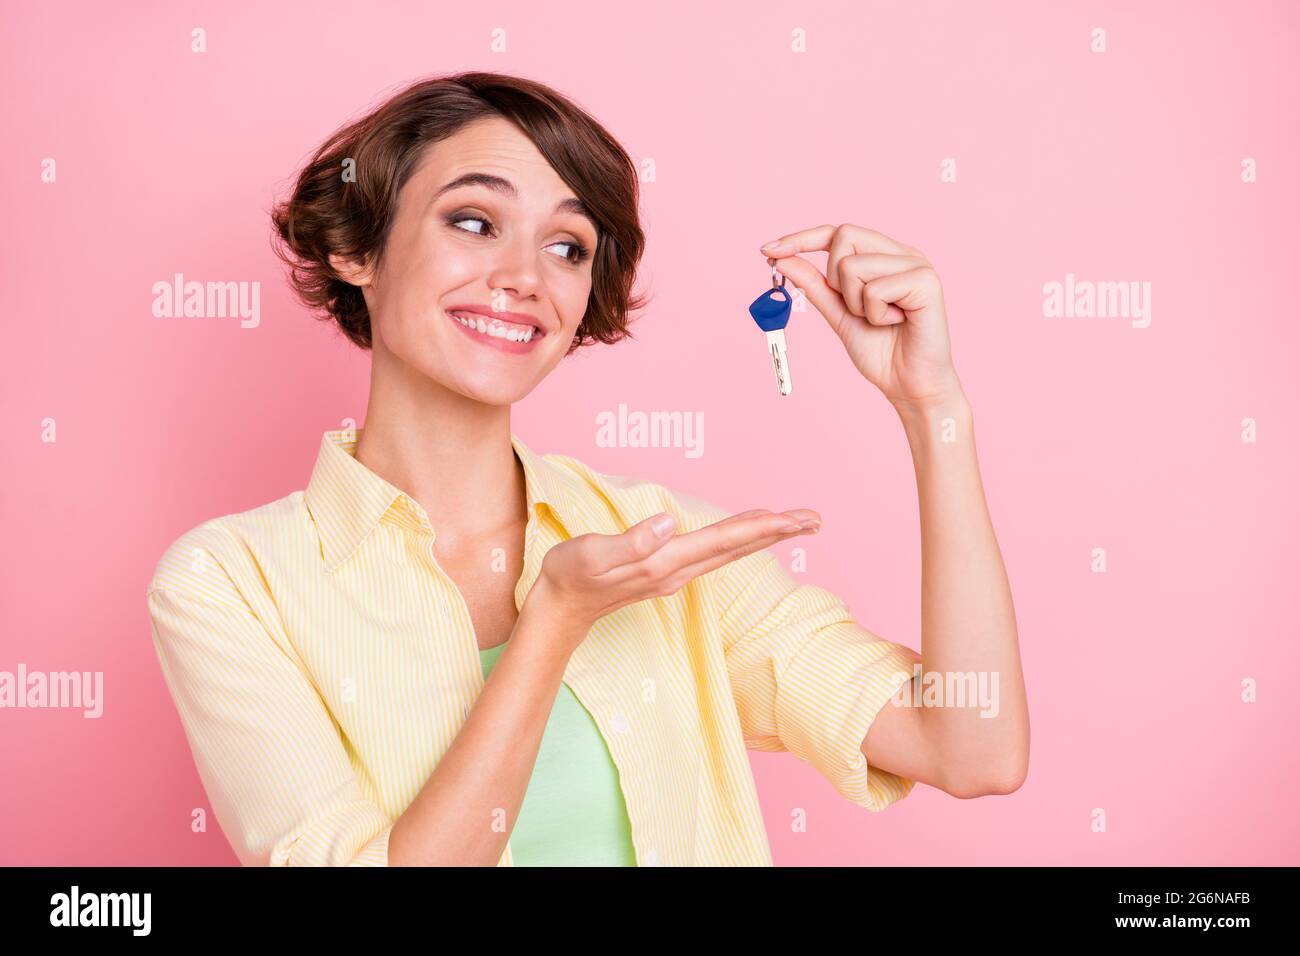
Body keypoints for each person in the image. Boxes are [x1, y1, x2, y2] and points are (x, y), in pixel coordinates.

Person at [146, 70, 1028, 867]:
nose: (524, 276)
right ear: (358, 251)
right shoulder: (232, 583)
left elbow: (971, 748)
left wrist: (932, 410)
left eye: (567, 247)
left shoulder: (668, 546)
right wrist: (554, 622)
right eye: (473, 222)